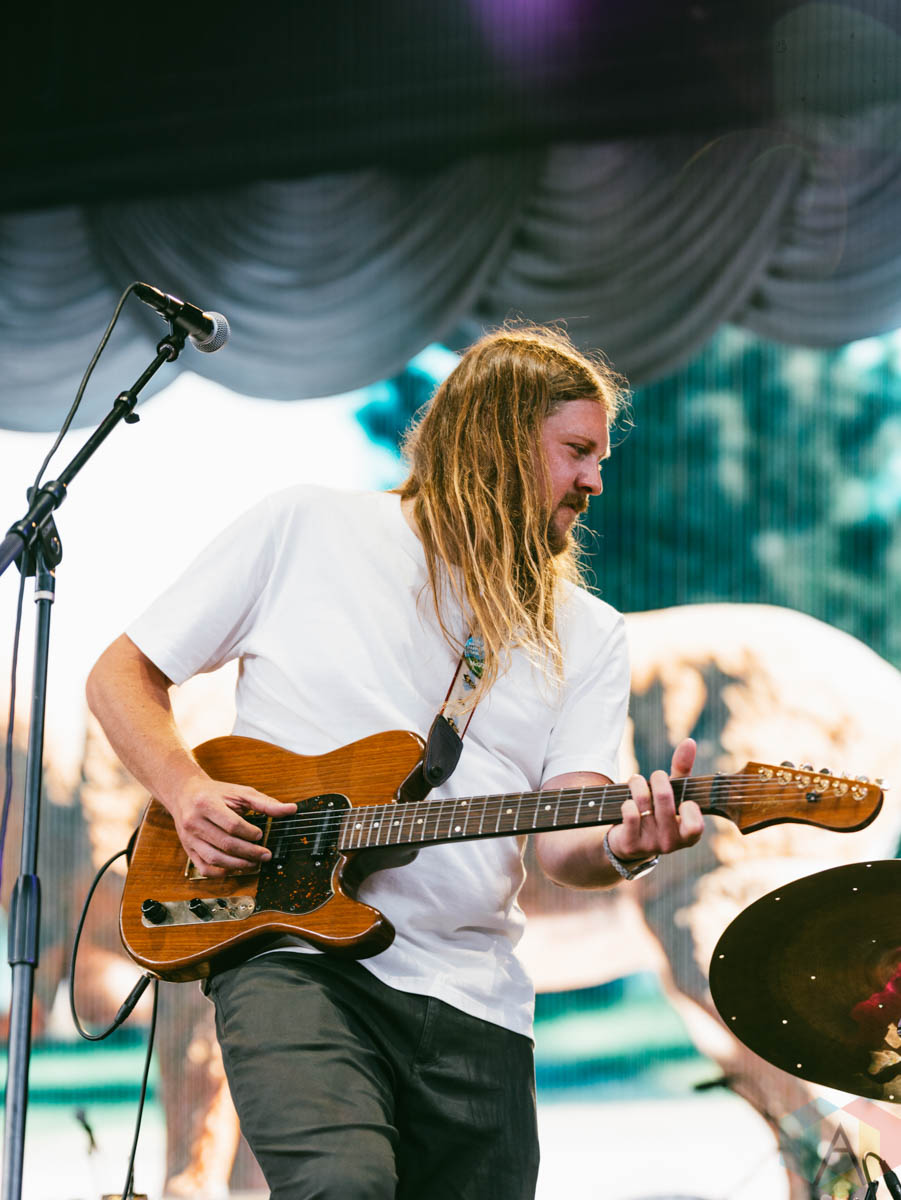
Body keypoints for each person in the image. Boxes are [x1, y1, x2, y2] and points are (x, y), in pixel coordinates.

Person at [86, 324, 704, 1200]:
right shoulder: (306, 525)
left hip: (474, 997)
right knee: (341, 1187)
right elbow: (122, 672)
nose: (593, 482)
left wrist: (622, 847)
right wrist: (184, 789)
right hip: (292, 957)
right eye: (576, 452)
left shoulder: (589, 632)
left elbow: (566, 842)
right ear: (495, 431)